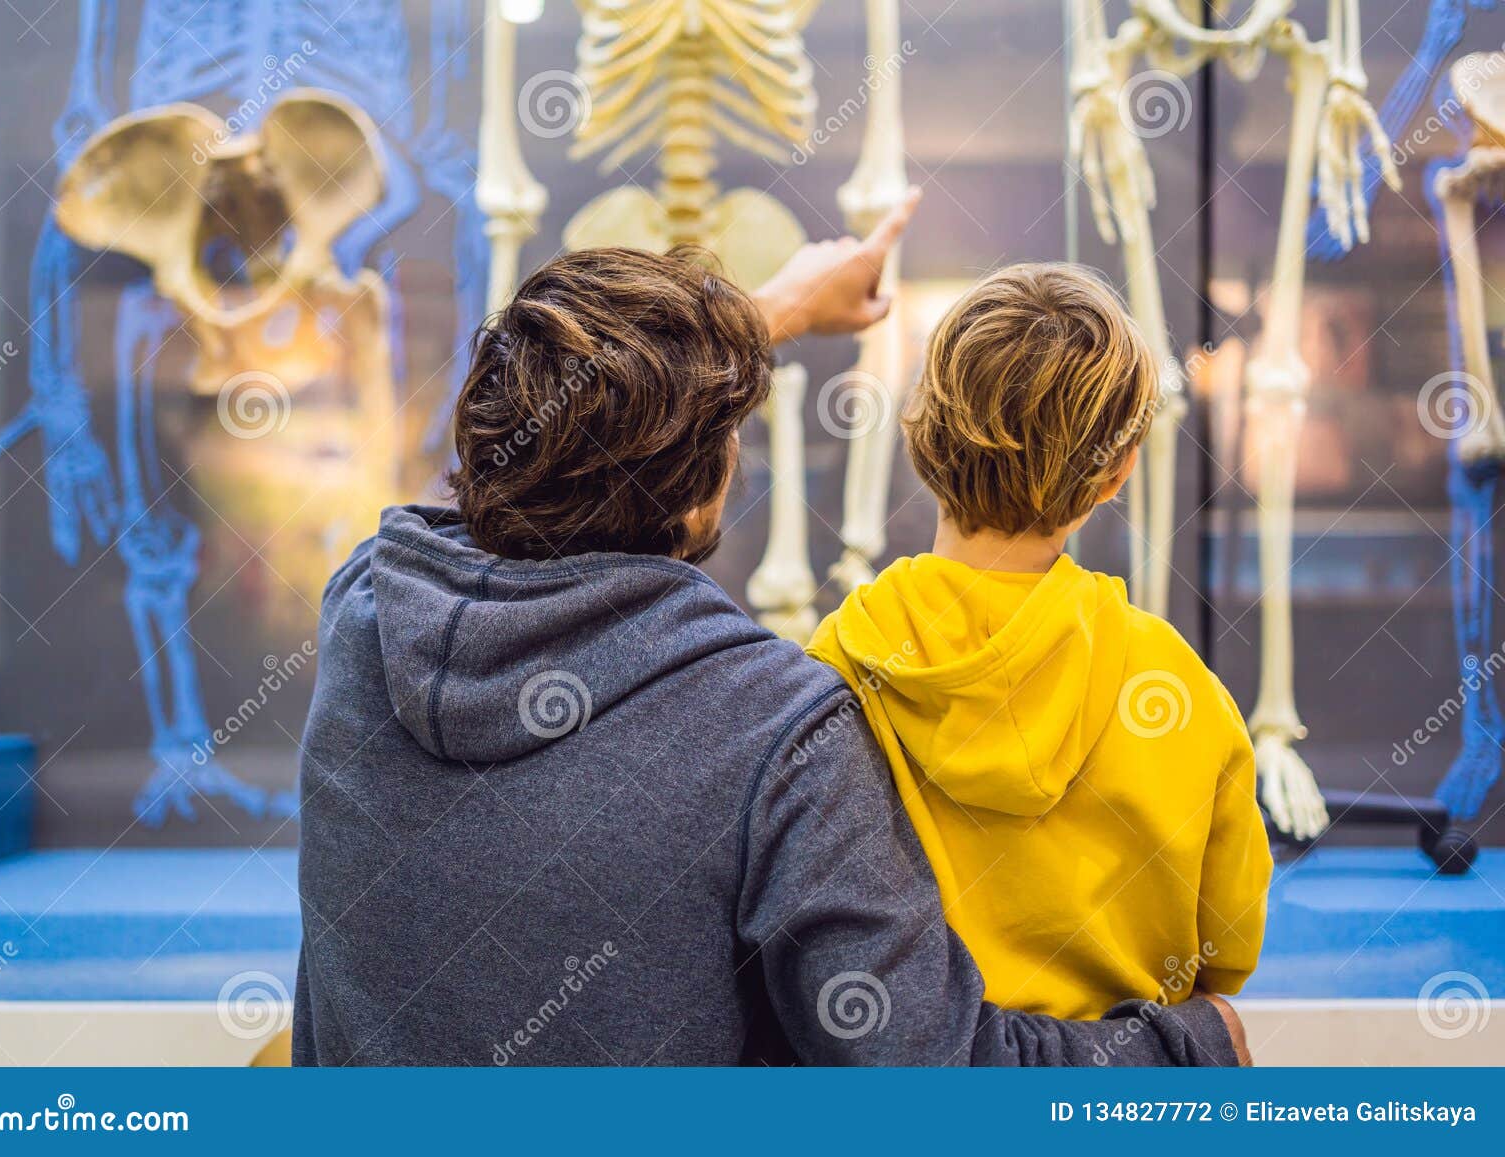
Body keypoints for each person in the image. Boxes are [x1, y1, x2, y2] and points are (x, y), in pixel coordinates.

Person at [292, 203, 1248, 1066]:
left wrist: (779, 308)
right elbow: (932, 1076)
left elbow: (565, 419)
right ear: (706, 491)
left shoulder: (363, 619)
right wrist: (1194, 1044)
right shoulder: (775, 730)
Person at [807, 263, 1273, 1022]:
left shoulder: (839, 662)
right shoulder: (1175, 684)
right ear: (1117, 473)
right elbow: (1227, 948)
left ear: (919, 429)